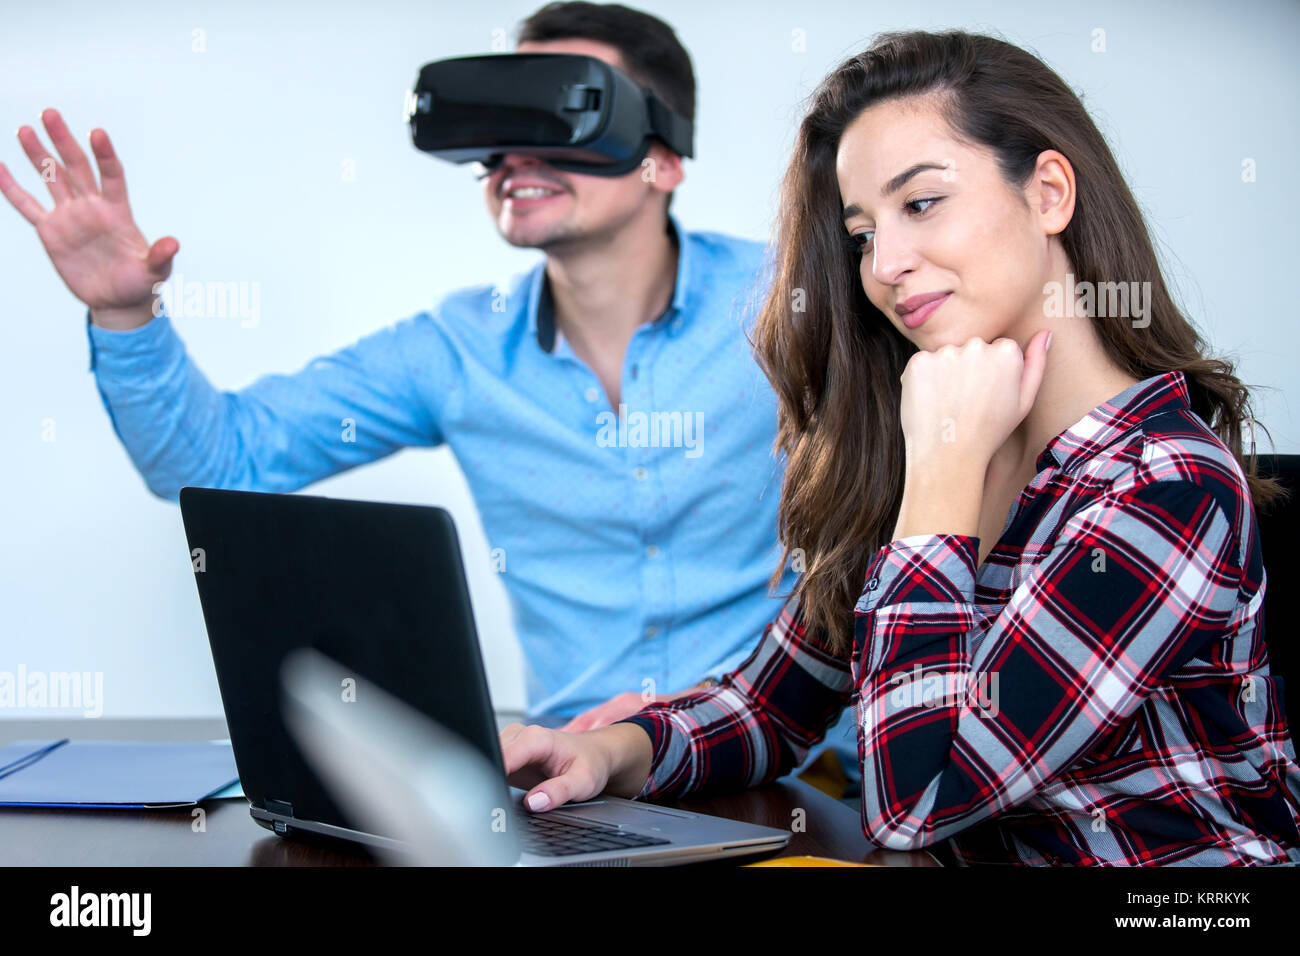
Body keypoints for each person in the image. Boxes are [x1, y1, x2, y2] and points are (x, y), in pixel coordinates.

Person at [499, 28, 1300, 866]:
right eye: (861, 234)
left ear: (1050, 193)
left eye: (921, 204)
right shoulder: (921, 439)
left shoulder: (1163, 482)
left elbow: (916, 798)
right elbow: (773, 708)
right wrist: (611, 753)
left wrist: (944, 475)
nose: (885, 265)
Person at [0, 0, 861, 780]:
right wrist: (126, 314)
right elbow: (216, 457)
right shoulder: (456, 349)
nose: (514, 157)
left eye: (559, 111)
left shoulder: (795, 304)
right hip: (576, 780)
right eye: (498, 121)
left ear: (663, 158)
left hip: (802, 774)